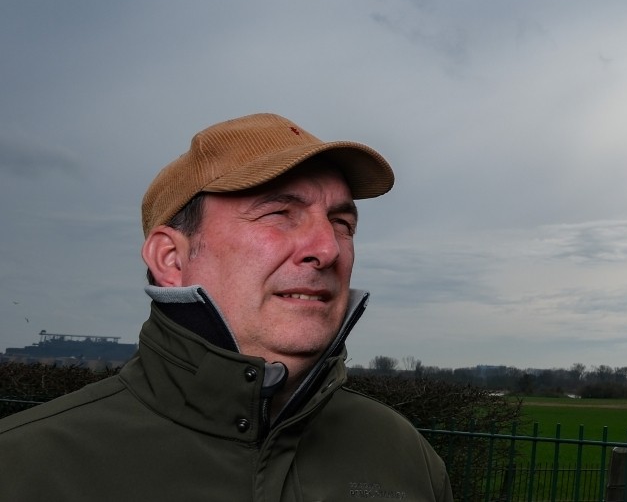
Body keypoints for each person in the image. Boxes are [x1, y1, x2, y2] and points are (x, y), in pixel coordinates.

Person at [0, 112, 453, 500]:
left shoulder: (405, 457)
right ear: (171, 259)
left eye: (342, 222)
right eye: (279, 212)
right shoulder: (24, 468)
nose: (328, 249)